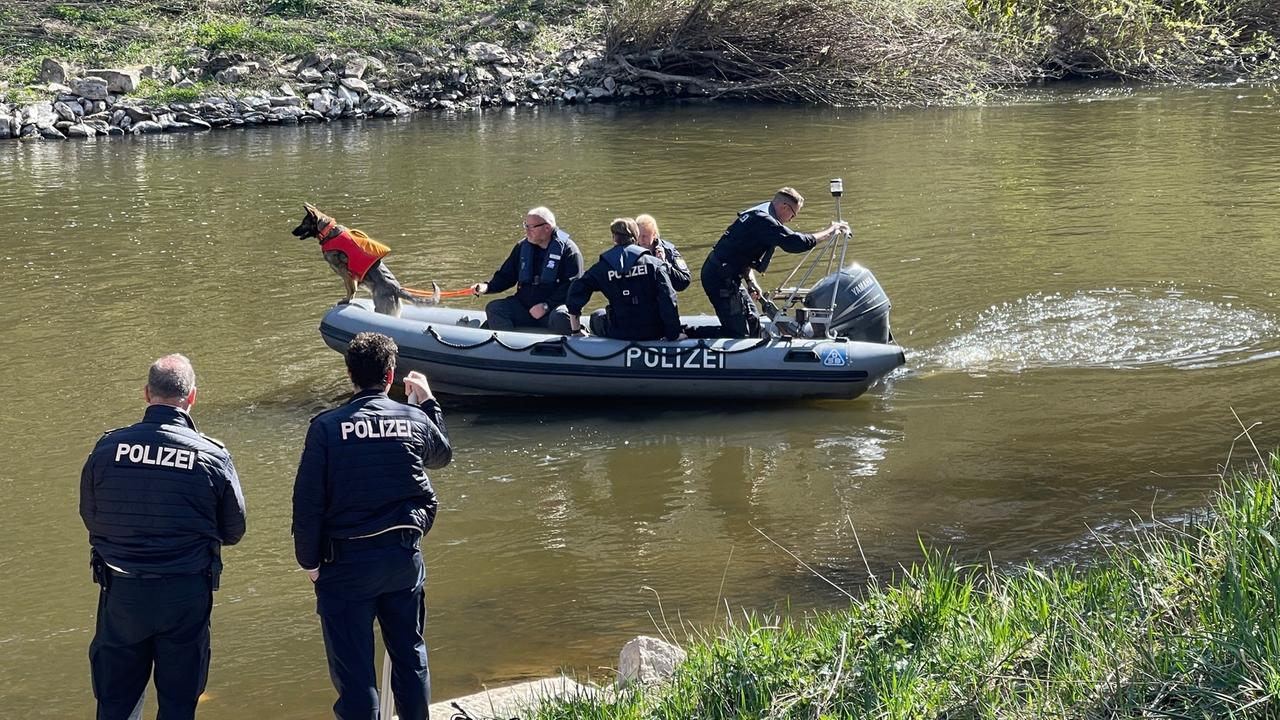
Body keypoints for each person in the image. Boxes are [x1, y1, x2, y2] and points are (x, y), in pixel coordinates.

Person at [292, 332, 452, 720]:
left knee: (354, 672)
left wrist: (309, 562)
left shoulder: (327, 428)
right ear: (390, 375)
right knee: (410, 656)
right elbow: (441, 455)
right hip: (401, 559)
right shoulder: (413, 419)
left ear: (350, 374)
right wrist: (427, 402)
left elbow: (308, 504)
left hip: (344, 565)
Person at [80, 354, 247, 720]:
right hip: (185, 593)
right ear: (192, 397)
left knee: (116, 702)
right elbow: (233, 529)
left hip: (122, 593)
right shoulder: (212, 455)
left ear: (146, 393)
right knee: (179, 703)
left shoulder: (107, 449)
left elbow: (92, 518)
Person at [700, 187, 849, 337]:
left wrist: (750, 281)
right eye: (793, 214)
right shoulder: (762, 220)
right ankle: (690, 333)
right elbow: (796, 243)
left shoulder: (760, 213)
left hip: (729, 275)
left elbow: (743, 252)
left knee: (753, 319)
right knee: (739, 334)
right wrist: (830, 231)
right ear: (784, 207)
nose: (791, 219)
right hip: (719, 278)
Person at [553, 217, 685, 341]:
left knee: (596, 316)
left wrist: (576, 330)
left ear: (614, 238)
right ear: (636, 236)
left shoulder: (603, 266)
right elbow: (668, 298)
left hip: (619, 332)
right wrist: (674, 334)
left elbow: (577, 289)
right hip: (654, 331)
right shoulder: (655, 264)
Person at [469, 206, 584, 332]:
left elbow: (573, 287)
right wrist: (487, 287)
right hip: (525, 307)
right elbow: (506, 275)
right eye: (525, 226)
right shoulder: (522, 247)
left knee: (561, 316)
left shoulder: (569, 251)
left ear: (547, 228)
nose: (527, 231)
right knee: (494, 308)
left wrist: (546, 306)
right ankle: (508, 342)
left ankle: (568, 340)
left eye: (531, 227)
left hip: (552, 309)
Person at [636, 213, 691, 292]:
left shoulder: (668, 250)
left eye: (645, 236)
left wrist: (664, 264)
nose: (641, 240)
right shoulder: (630, 252)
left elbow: (684, 281)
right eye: (638, 235)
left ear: (654, 234)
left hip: (663, 294)